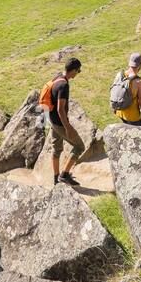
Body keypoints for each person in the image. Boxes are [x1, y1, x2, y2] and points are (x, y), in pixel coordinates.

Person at [41, 58, 84, 187]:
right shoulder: (64, 85)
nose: (78, 73)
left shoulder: (57, 77)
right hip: (60, 123)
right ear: (74, 70)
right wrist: (68, 128)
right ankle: (64, 175)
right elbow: (60, 109)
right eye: (78, 71)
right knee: (79, 147)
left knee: (56, 149)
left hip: (52, 120)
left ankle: (56, 179)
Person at [112, 53, 141, 127]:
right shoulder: (138, 81)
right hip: (132, 117)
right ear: (140, 65)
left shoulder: (119, 74)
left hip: (119, 111)